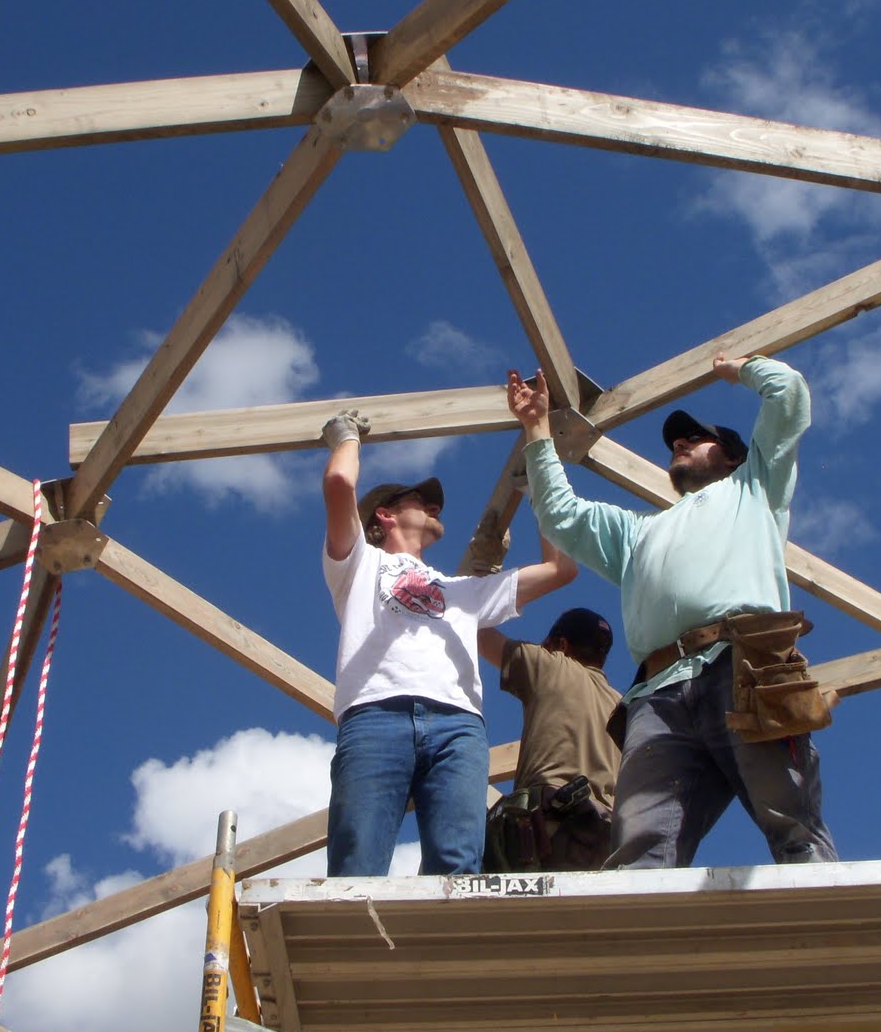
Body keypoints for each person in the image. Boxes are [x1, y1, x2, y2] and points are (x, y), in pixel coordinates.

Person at [505, 355, 838, 868]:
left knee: (791, 821)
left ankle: (832, 931)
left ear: (732, 457)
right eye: (677, 442)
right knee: (638, 843)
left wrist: (742, 367)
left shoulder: (754, 486)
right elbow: (563, 516)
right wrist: (536, 426)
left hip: (743, 665)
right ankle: (635, 942)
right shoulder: (640, 533)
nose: (680, 443)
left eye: (696, 439)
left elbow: (789, 396)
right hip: (657, 692)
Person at [320, 410, 575, 877]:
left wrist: (539, 482)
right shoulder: (358, 564)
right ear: (385, 513)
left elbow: (561, 569)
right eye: (422, 501)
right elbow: (339, 482)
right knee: (357, 865)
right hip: (377, 713)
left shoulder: (460, 591)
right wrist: (346, 435)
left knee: (458, 869)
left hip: (458, 725)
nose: (436, 506)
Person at [478, 607, 622, 872]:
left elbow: (477, 632)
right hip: (604, 842)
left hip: (545, 833)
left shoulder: (550, 665)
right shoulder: (622, 707)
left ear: (562, 645)